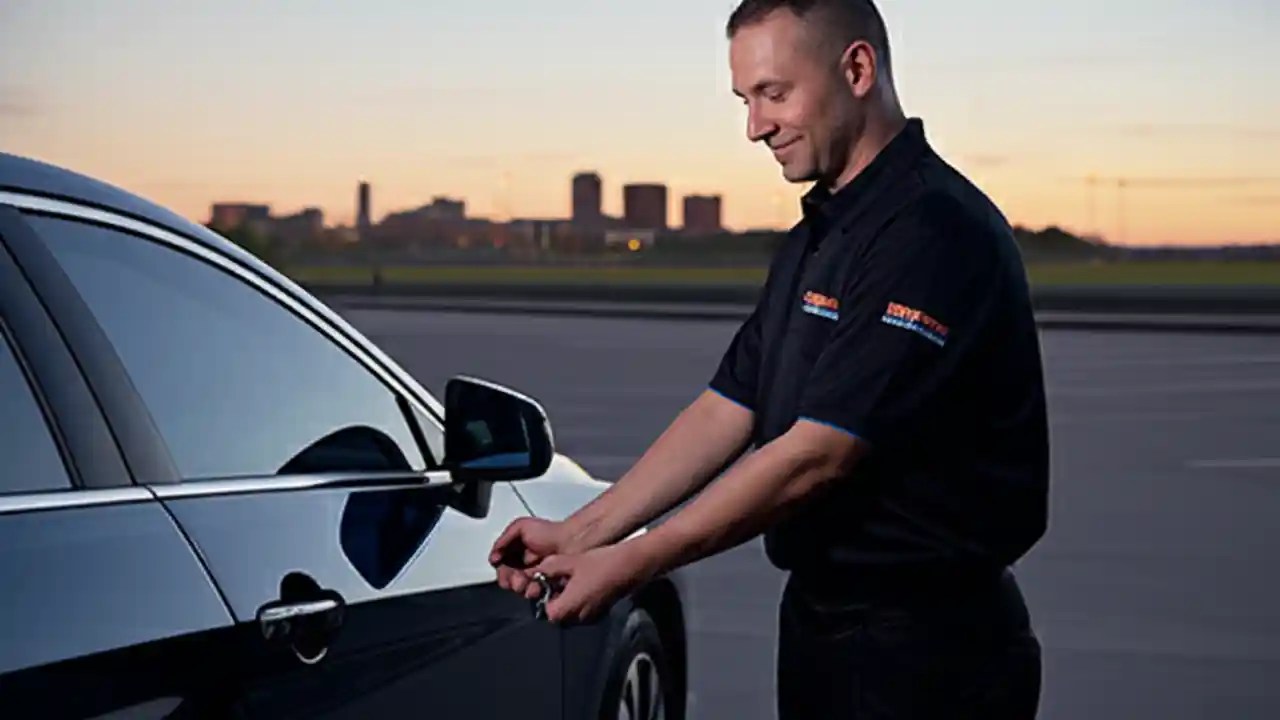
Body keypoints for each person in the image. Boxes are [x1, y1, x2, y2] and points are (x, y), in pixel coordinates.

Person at [489, 0, 1049, 716]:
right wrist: (584, 531)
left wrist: (630, 564)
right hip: (828, 629)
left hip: (929, 649)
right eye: (745, 99)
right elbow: (732, 403)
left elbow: (818, 454)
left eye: (774, 93)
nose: (755, 127)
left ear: (856, 68)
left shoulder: (931, 232)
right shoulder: (821, 233)